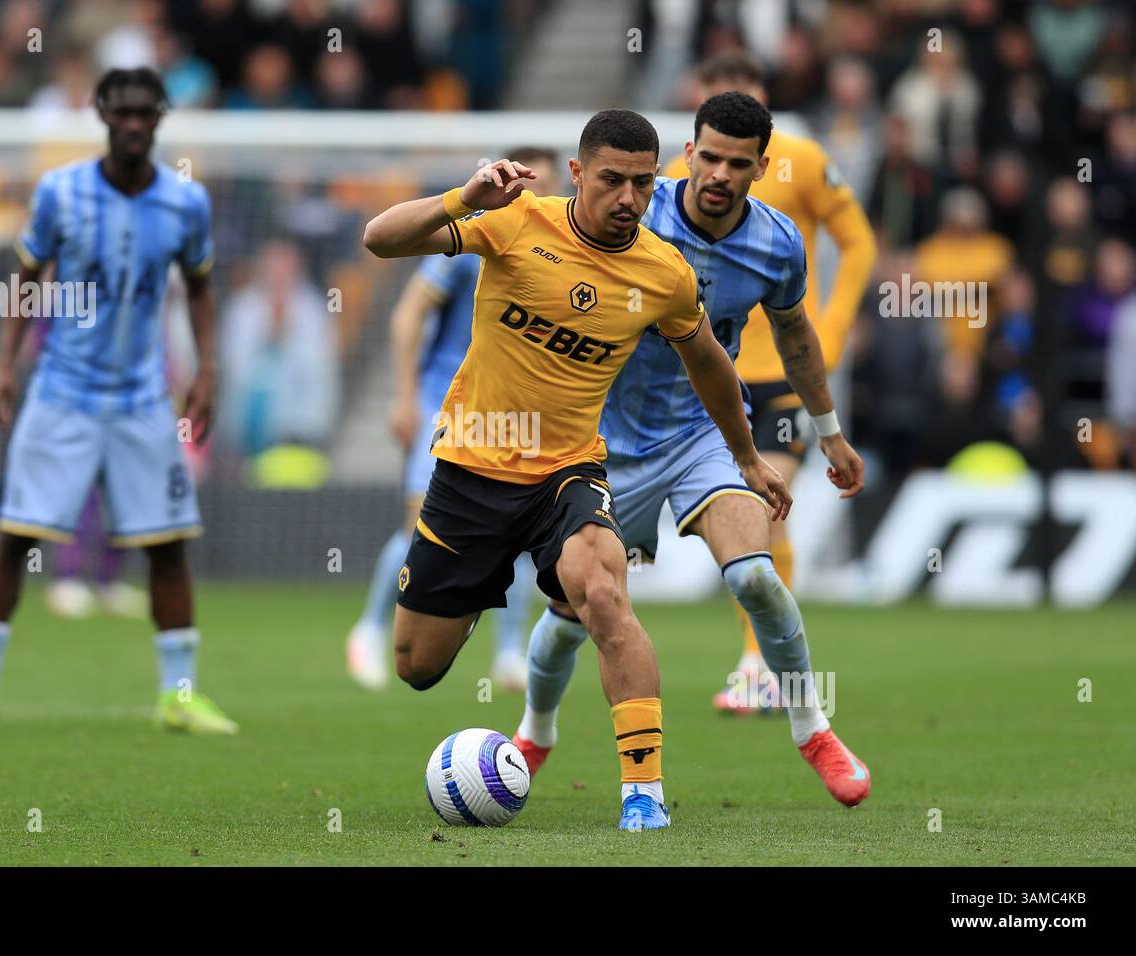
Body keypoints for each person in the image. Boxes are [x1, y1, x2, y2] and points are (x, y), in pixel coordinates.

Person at [362, 109, 792, 830]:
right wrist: (464, 197)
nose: (628, 197)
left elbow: (712, 365)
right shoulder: (515, 221)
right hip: (470, 471)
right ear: (578, 174)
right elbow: (379, 240)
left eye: (644, 183)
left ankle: (644, 792)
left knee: (603, 594)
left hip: (569, 474)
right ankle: (474, 594)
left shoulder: (662, 272)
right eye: (612, 180)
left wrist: (746, 454)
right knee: (416, 667)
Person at [513, 92, 872, 808]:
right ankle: (535, 732)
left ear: (761, 168)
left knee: (756, 578)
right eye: (708, 156)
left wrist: (828, 431)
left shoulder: (776, 243)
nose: (719, 174)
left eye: (738, 164)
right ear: (687, 154)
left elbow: (796, 336)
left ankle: (812, 728)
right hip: (602, 444)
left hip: (707, 433)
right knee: (574, 612)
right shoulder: (636, 214)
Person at [0, 67, 236, 735]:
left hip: (142, 398)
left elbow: (202, 287)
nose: (132, 123)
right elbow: (26, 278)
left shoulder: (186, 204)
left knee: (167, 545)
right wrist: (3, 366)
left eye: (144, 112)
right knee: (15, 535)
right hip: (61, 392)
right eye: (120, 111)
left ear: (160, 116)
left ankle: (178, 697)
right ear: (101, 112)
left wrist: (208, 369)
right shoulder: (60, 193)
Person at [665, 52, 877, 713]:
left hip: (783, 373)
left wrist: (833, 326)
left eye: (743, 95)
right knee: (731, 521)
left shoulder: (804, 160)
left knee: (765, 511)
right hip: (707, 381)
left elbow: (859, 242)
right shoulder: (674, 179)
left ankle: (758, 664)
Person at [345, 147, 561, 693]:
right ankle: (369, 630)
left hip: (516, 407)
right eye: (534, 183)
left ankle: (509, 652)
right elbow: (408, 313)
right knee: (421, 523)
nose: (543, 197)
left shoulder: (566, 252)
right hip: (451, 400)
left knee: (517, 527)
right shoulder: (480, 235)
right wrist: (404, 398)